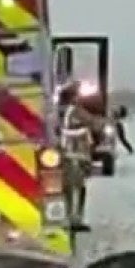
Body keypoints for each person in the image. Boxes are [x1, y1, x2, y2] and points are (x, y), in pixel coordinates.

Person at [53, 81, 102, 232]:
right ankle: (75, 219)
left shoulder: (57, 111)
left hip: (65, 154)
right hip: (76, 155)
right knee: (77, 188)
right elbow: (95, 125)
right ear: (73, 96)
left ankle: (68, 217)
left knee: (67, 188)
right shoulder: (76, 112)